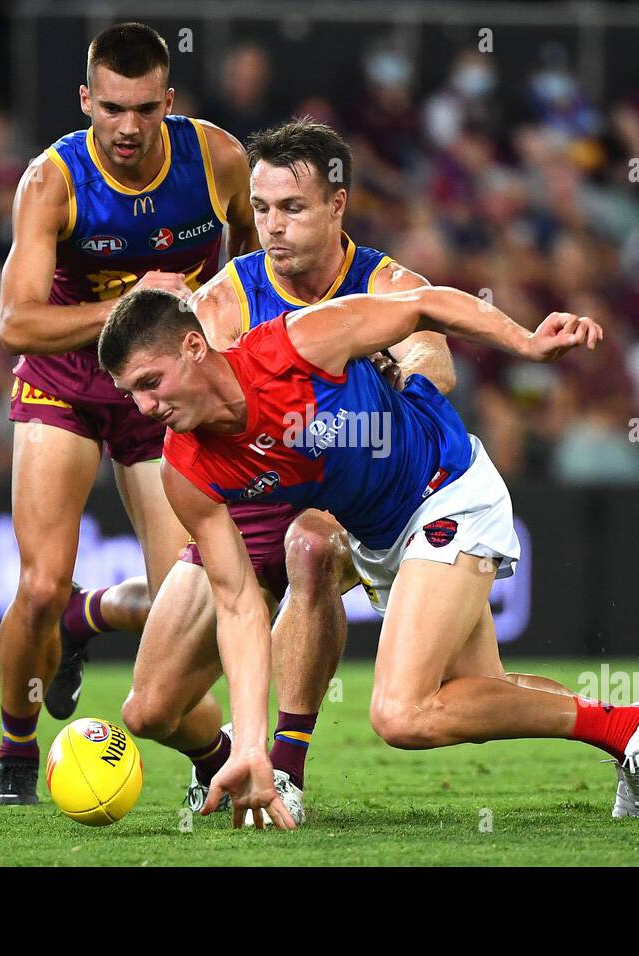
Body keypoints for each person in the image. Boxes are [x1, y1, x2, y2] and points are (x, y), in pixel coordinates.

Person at [96, 285, 639, 826]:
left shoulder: (295, 347)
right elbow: (237, 608)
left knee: (401, 714)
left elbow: (423, 304)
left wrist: (525, 342)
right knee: (477, 693)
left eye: (151, 382)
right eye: (132, 395)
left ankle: (637, 729)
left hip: (447, 489)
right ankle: (636, 728)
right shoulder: (187, 470)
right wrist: (249, 744)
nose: (146, 407)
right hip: (380, 537)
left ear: (196, 347)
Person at [101, 117, 453, 826]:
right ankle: (225, 761)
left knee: (313, 547)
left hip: (346, 495)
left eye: (291, 208)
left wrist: (395, 369)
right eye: (259, 209)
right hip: (246, 507)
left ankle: (285, 769)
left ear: (337, 205)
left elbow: (433, 361)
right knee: (150, 708)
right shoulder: (227, 298)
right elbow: (202, 397)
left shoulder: (384, 282)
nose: (272, 226)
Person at [0, 22, 257, 805]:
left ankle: (91, 618)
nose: (129, 127)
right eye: (112, 108)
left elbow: (248, 262)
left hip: (163, 395)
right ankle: (14, 751)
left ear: (168, 103)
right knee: (39, 585)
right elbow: (15, 320)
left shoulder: (218, 160)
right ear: (86, 101)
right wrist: (141, 304)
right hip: (65, 384)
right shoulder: (51, 180)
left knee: (184, 602)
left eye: (144, 109)